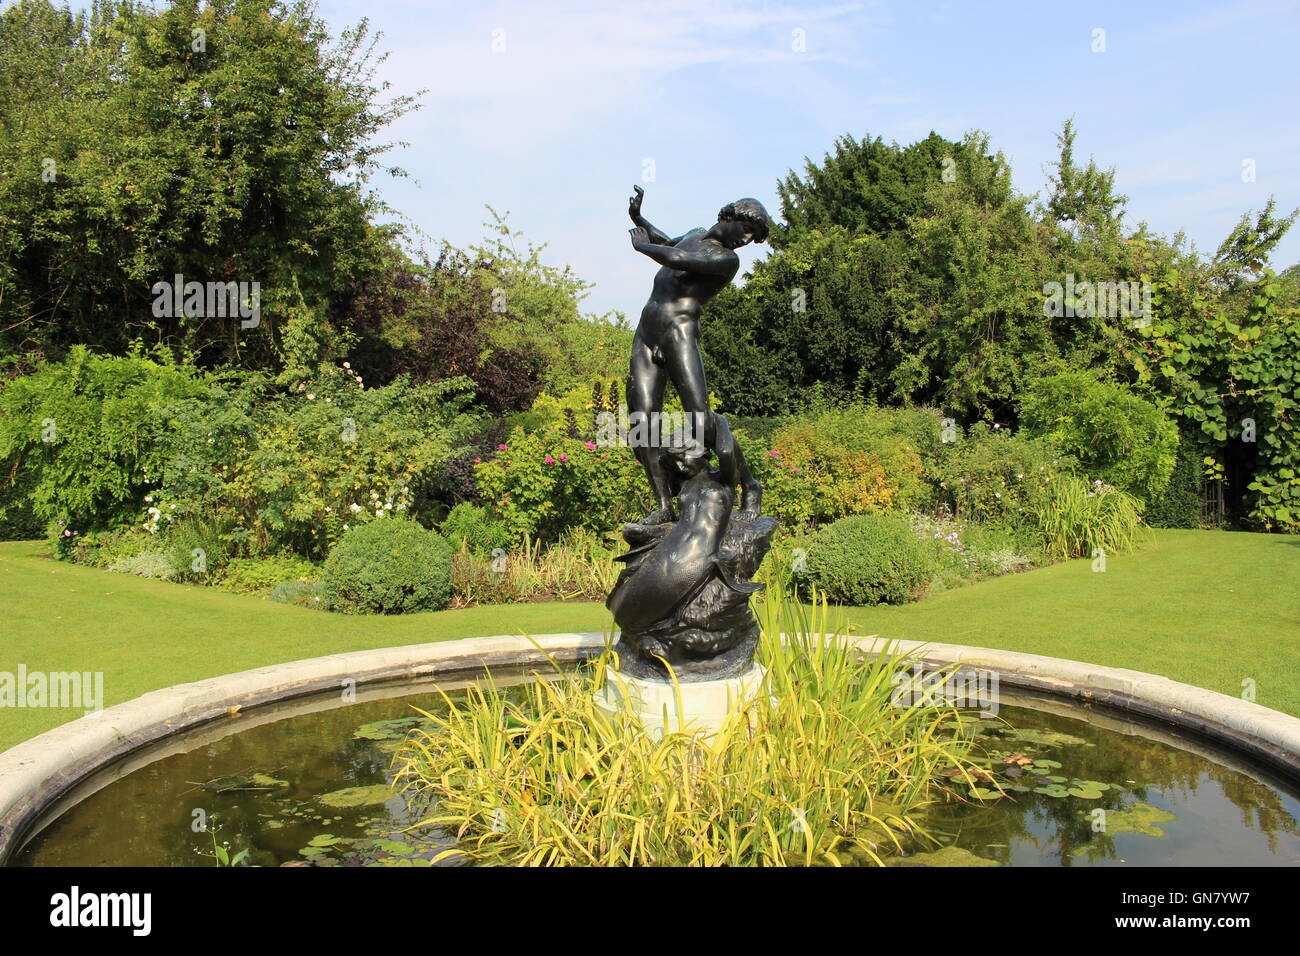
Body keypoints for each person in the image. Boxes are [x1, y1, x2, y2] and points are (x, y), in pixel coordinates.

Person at [625, 185, 769, 524]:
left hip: (679, 333)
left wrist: (641, 245)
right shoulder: (693, 235)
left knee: (701, 421)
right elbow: (669, 242)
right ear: (730, 216)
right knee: (642, 423)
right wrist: (639, 218)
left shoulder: (726, 260)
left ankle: (749, 484)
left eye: (754, 238)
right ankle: (663, 506)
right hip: (647, 333)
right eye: (747, 230)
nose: (747, 240)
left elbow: (674, 258)